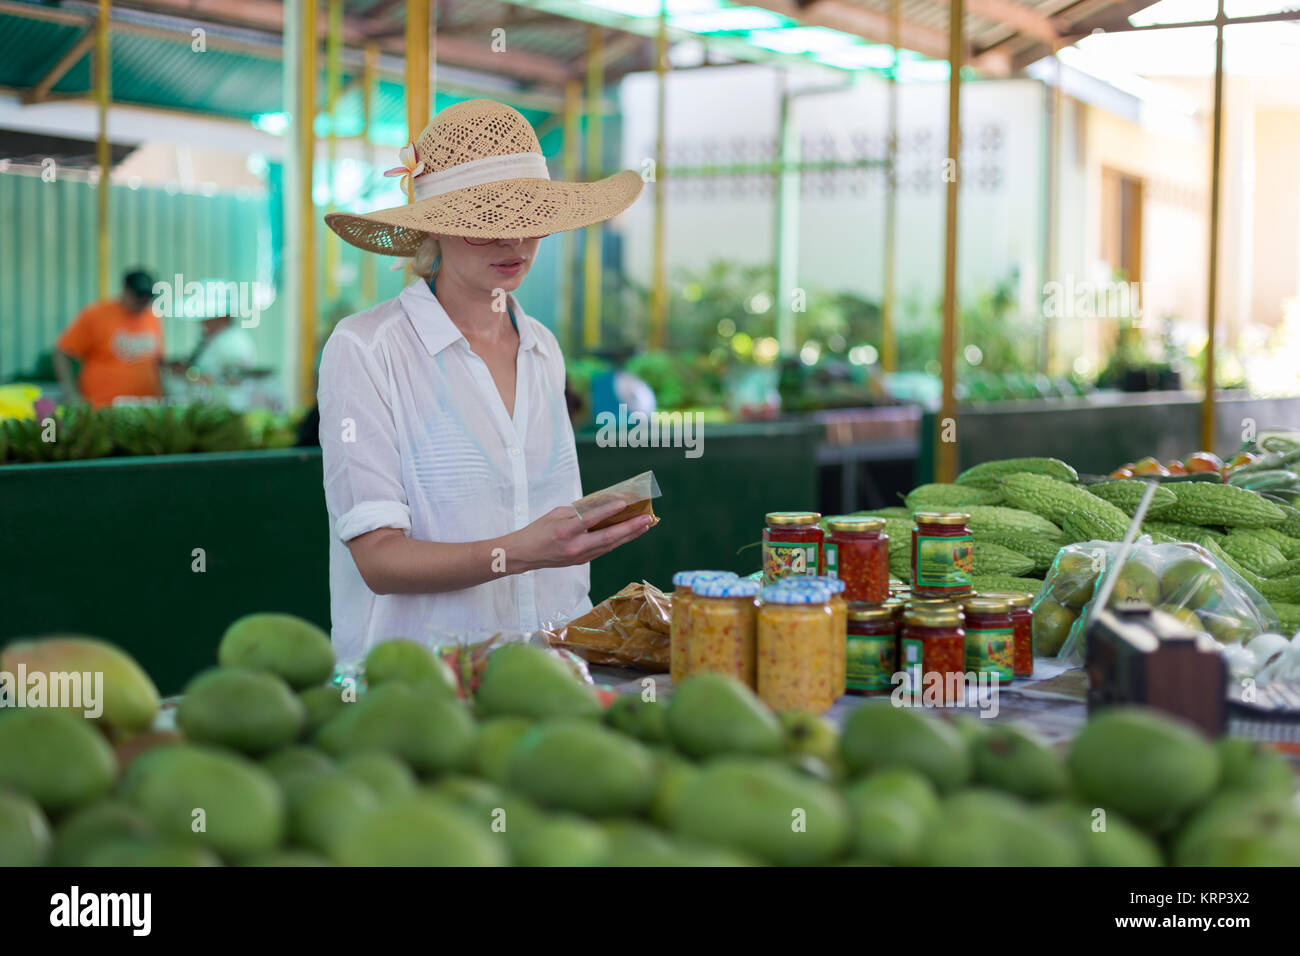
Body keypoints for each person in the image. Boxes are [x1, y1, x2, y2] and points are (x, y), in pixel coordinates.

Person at [319, 99, 649, 660]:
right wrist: (525, 549)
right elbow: (378, 559)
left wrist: (578, 531)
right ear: (437, 232)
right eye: (487, 225)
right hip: (419, 690)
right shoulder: (367, 349)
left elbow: (540, 521)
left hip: (550, 672)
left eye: (530, 223)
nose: (515, 244)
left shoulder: (543, 347)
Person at [55, 269, 164, 407]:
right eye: (138, 296)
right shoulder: (96, 315)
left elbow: (157, 362)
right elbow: (62, 353)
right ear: (125, 291)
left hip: (146, 407)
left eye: (147, 298)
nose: (142, 302)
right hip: (103, 407)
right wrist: (71, 394)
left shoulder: (152, 317)